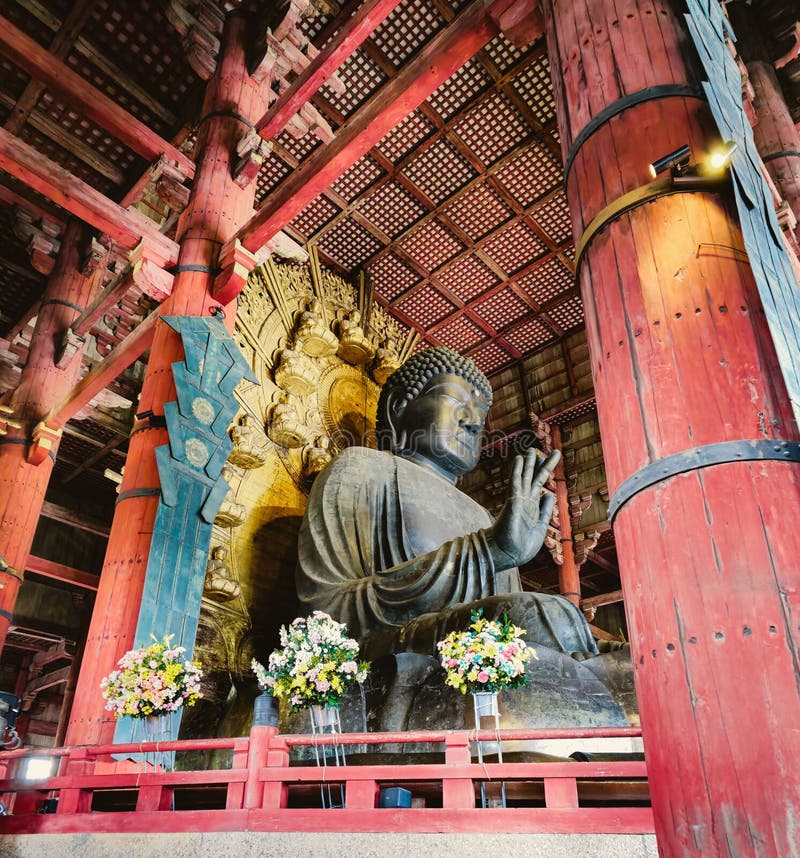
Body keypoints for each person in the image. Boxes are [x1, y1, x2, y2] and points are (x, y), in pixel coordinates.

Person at [296, 346, 597, 661]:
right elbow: (324, 611)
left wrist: (496, 552)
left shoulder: (483, 516)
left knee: (585, 638)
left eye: (480, 416)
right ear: (399, 407)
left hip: (478, 651)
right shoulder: (362, 468)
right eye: (456, 402)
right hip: (395, 649)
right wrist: (488, 551)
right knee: (539, 616)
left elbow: (507, 620)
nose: (473, 423)